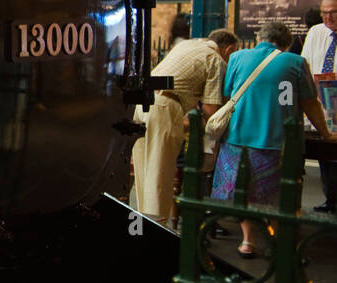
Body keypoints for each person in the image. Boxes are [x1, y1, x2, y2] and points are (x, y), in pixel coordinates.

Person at [212, 19, 334, 257]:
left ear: (260, 38)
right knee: (279, 193)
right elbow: (310, 103)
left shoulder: (237, 58)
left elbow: (228, 94)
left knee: (243, 190)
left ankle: (247, 241)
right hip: (278, 141)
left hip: (238, 138)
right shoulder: (296, 62)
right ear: (286, 43)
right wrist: (326, 133)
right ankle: (278, 239)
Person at [131, 28, 238, 227]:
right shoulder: (215, 59)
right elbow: (210, 109)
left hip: (142, 102)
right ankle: (156, 232)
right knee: (159, 175)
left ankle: (139, 229)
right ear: (228, 49)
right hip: (165, 106)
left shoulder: (188, 45)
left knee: (144, 174)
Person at [301, 0, 337, 210]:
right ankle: (331, 199)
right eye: (324, 12)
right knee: (325, 152)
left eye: (333, 12)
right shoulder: (316, 32)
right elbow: (305, 65)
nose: (327, 18)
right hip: (321, 101)